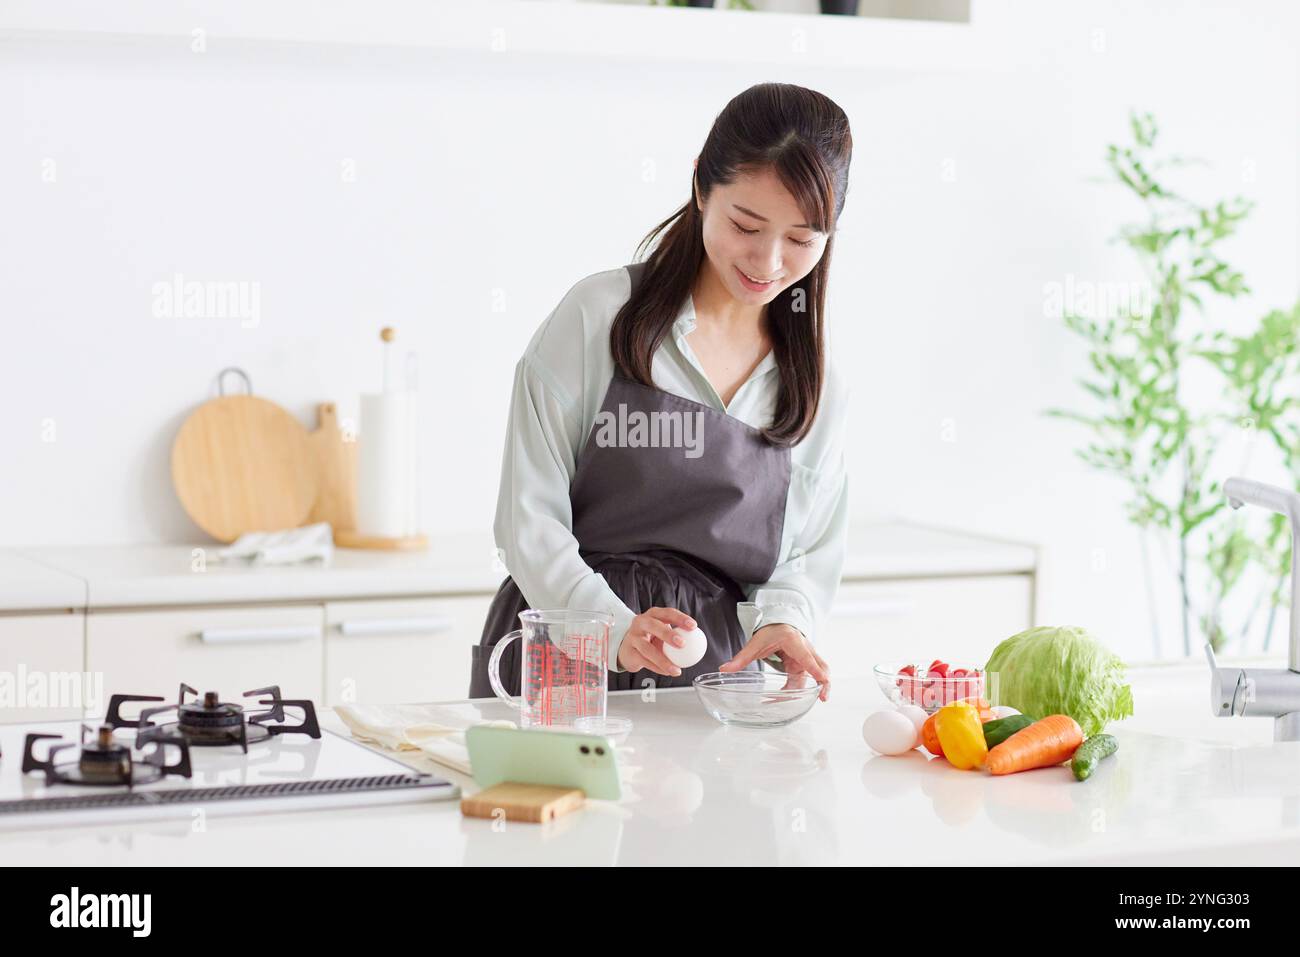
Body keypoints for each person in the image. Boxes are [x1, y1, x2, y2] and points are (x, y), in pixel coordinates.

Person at [470, 83, 852, 702]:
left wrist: (785, 620)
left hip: (716, 682)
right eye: (746, 225)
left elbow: (805, 553)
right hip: (564, 658)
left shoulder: (815, 383)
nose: (769, 261)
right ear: (702, 185)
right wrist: (611, 628)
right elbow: (527, 518)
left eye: (802, 240)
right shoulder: (598, 317)